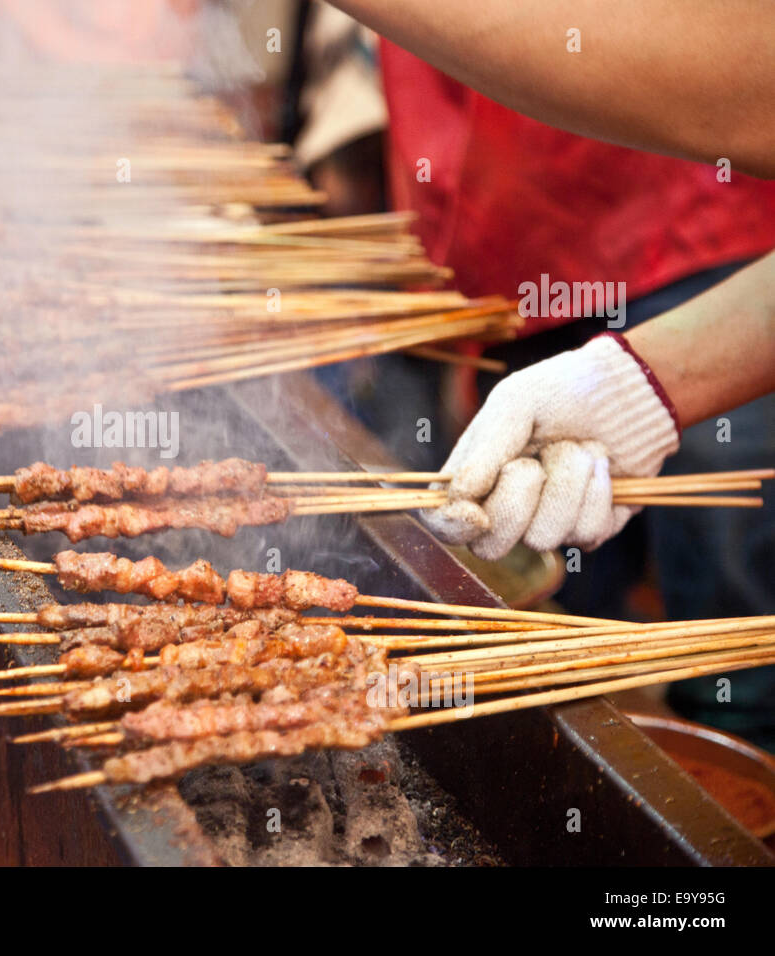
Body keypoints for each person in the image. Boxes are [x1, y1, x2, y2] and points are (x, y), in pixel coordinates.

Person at [321, 1, 775, 744]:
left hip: (696, 232)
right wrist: (642, 385)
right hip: (524, 252)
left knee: (737, 658)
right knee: (569, 648)